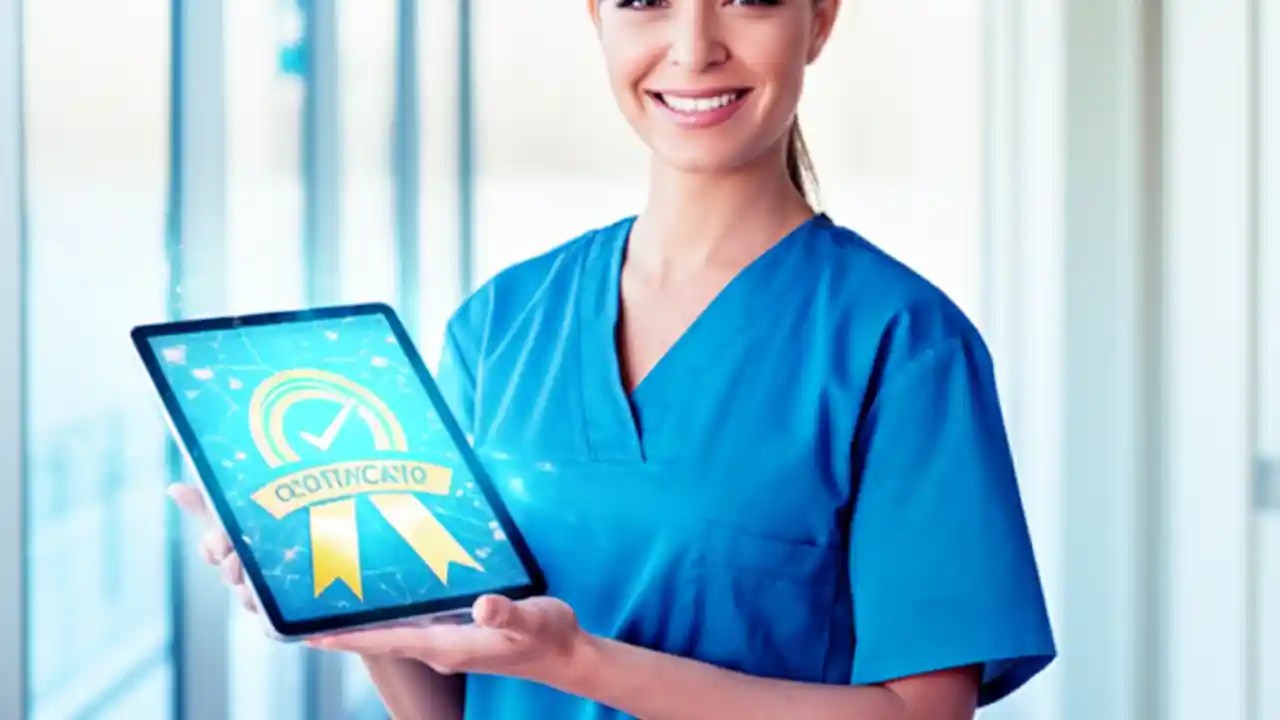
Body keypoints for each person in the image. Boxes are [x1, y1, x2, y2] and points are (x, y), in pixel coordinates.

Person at [170, 0, 1056, 717]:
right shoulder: (501, 325)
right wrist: (344, 604)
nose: (693, 46)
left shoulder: (902, 345)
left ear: (820, 19)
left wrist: (579, 662)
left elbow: (922, 717)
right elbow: (453, 697)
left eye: (749, 0)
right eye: (644, 1)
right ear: (597, 17)